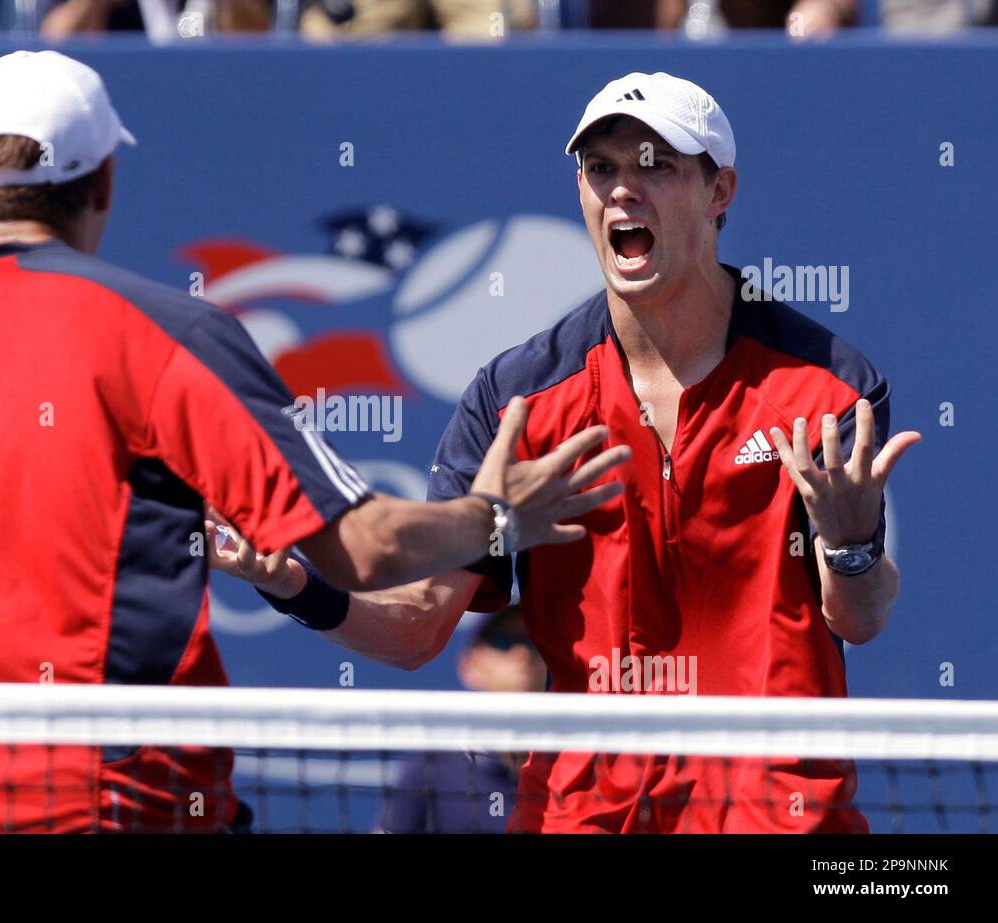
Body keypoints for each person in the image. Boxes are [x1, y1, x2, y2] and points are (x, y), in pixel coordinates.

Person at [0, 50, 628, 833]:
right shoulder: (158, 332)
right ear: (102, 186)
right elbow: (363, 546)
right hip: (71, 802)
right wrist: (496, 516)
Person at [210, 72, 921, 833]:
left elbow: (861, 616)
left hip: (778, 818)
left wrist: (849, 545)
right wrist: (293, 583)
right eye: (602, 168)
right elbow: (420, 625)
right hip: (582, 816)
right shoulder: (516, 397)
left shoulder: (828, 383)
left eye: (656, 164)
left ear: (720, 193)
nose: (623, 190)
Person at [374, 606, 545, 834]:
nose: (521, 654)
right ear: (470, 665)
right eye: (503, 642)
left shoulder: (584, 763)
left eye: (533, 640)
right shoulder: (431, 768)